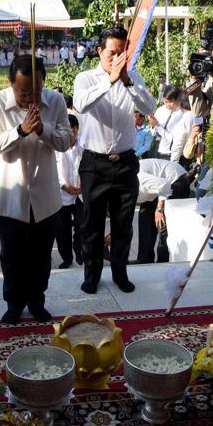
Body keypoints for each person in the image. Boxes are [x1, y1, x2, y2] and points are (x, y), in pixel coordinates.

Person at [0, 56, 72, 324]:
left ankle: (36, 300)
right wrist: (20, 131)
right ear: (10, 83)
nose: (30, 97)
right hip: (12, 196)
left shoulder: (55, 101)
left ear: (44, 82)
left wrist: (43, 130)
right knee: (11, 256)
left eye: (36, 90)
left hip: (45, 196)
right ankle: (13, 302)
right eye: (23, 91)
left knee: (41, 255)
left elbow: (67, 139)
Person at [73, 26, 156, 294]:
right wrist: (109, 79)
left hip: (125, 162)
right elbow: (80, 104)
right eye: (112, 52)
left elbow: (149, 108)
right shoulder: (86, 78)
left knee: (123, 223)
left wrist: (127, 82)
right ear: (100, 51)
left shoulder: (134, 78)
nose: (118, 58)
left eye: (122, 53)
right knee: (92, 223)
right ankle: (92, 274)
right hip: (94, 162)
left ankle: (120, 271)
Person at [136, 158, 188, 264]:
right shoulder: (123, 189)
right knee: (144, 217)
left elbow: (164, 185)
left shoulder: (139, 178)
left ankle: (163, 261)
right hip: (157, 186)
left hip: (175, 180)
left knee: (163, 223)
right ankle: (144, 259)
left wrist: (159, 209)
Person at [56, 114, 84, 269]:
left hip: (80, 193)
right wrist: (63, 185)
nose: (69, 133)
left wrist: (84, 186)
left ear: (76, 129)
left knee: (82, 225)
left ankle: (78, 249)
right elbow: (50, 171)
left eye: (72, 129)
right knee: (62, 229)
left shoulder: (85, 147)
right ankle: (66, 258)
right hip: (62, 194)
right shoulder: (55, 148)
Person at [148, 85, 182, 160]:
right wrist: (153, 126)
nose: (168, 105)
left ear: (178, 99)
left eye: (171, 102)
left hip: (173, 154)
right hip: (158, 151)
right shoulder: (160, 110)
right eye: (165, 102)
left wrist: (157, 126)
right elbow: (153, 132)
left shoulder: (182, 114)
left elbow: (175, 140)